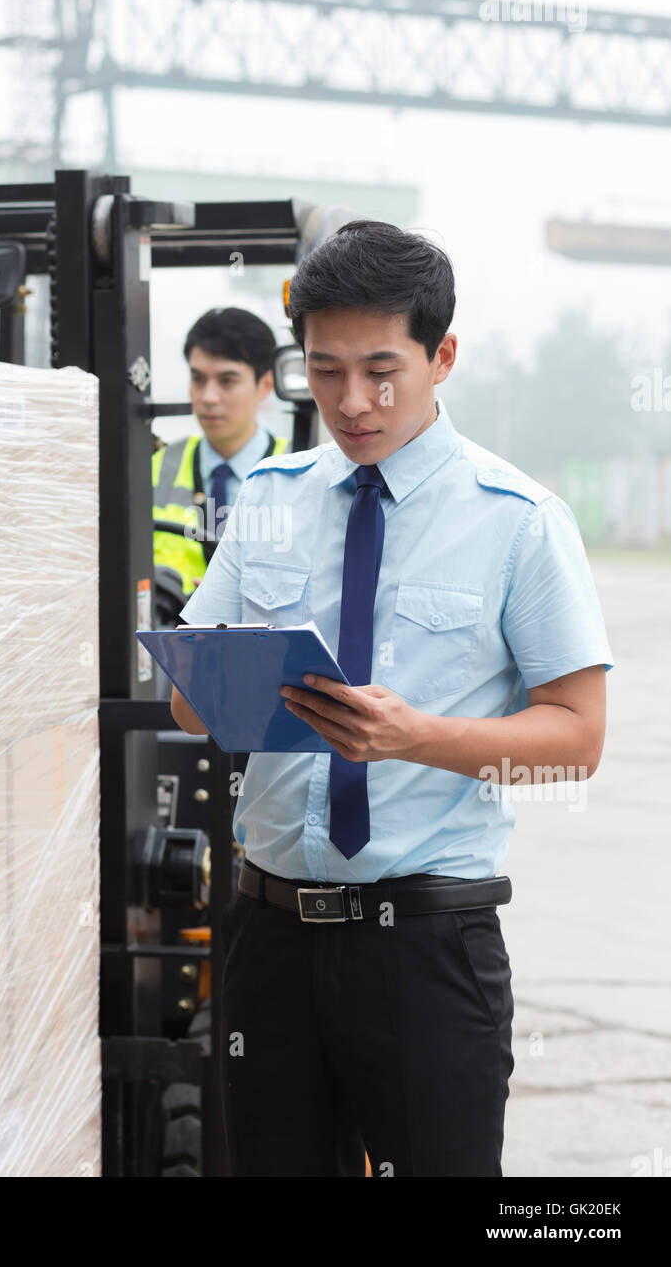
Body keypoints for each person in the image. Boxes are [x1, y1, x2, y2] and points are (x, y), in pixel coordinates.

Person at [169, 219, 613, 1178]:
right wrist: (216, 681)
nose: (352, 401)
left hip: (422, 945)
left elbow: (577, 737)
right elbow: (189, 706)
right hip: (271, 939)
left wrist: (413, 736)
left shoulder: (520, 523)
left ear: (441, 355)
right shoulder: (272, 500)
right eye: (325, 371)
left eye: (382, 370)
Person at [152, 307, 289, 598]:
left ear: (265, 385)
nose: (208, 397)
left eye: (227, 381)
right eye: (198, 379)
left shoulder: (300, 472)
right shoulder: (153, 469)